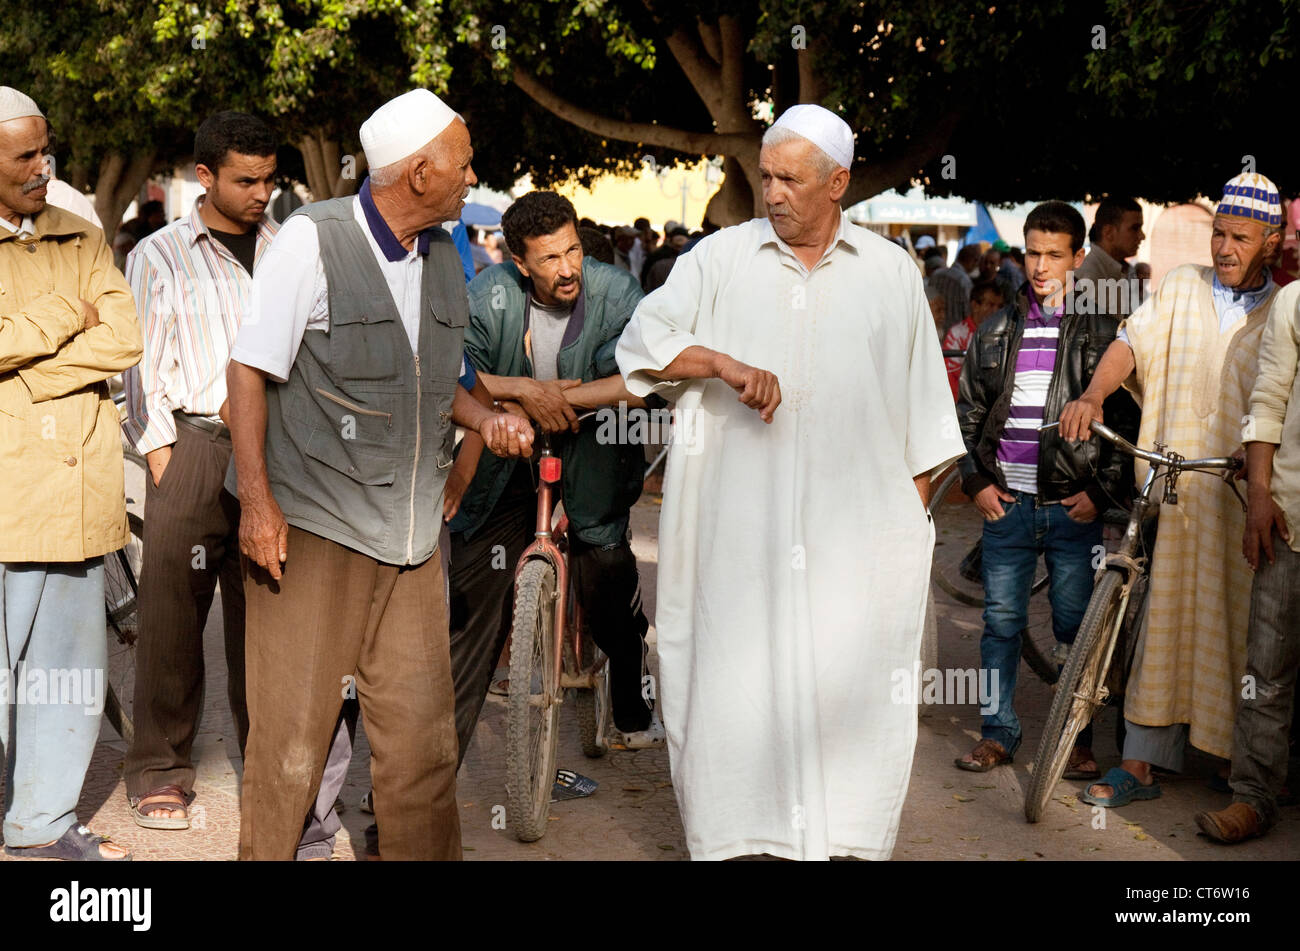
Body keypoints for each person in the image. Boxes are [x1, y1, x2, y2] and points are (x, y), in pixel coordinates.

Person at [616, 103, 965, 860]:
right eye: (765, 175)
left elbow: (929, 430)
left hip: (854, 555)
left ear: (838, 183)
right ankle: (738, 838)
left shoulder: (891, 274)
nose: (771, 192)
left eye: (790, 179)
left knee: (850, 693)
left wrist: (898, 535)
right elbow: (642, 342)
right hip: (734, 540)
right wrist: (723, 363)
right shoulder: (719, 259)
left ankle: (841, 839)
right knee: (732, 689)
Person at [225, 88, 534, 860]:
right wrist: (257, 507)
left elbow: (441, 382)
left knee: (423, 750)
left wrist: (485, 419)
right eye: (462, 164)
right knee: (292, 746)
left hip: (413, 539)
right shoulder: (311, 240)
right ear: (420, 173)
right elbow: (246, 372)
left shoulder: (446, 253)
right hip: (313, 532)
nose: (472, 177)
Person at [1060, 172, 1286, 809]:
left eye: (1240, 238)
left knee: (1238, 631)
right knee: (1155, 623)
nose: (1224, 248)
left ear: (1271, 242)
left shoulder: (1284, 310)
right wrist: (1093, 392)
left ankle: (1231, 761)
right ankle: (1140, 763)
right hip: (1168, 489)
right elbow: (1131, 341)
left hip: (1242, 503)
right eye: (1219, 234)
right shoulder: (1183, 286)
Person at [446, 190, 661, 762]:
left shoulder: (617, 292)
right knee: (470, 605)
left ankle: (633, 704)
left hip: (595, 444)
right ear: (519, 262)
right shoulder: (489, 294)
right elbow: (457, 374)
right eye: (548, 259)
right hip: (508, 450)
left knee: (607, 575)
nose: (567, 269)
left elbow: (639, 383)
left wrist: (550, 398)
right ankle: (432, 763)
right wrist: (524, 393)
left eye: (572, 251)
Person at [120, 111, 278, 833]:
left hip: (276, 455)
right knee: (171, 621)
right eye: (247, 179)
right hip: (191, 447)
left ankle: (271, 770)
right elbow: (141, 363)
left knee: (269, 618)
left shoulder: (289, 250)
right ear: (205, 176)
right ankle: (159, 770)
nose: (262, 193)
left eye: (270, 178)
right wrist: (163, 457)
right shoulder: (159, 253)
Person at [0, 86, 143, 861]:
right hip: (5, 489)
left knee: (64, 672)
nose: (41, 167)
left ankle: (43, 821)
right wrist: (62, 317)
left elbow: (123, 336)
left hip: (74, 487)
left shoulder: (81, 235)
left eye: (44, 151)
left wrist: (29, 374)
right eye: (24, 155)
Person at [953, 202, 1134, 778]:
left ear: (1078, 260)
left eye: (1055, 255)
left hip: (1071, 510)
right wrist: (976, 481)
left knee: (1073, 627)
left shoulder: (1105, 336)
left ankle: (1076, 741)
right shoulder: (997, 330)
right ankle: (997, 732)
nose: (1041, 266)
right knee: (1001, 623)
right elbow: (968, 415)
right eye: (1033, 252)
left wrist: (1101, 497)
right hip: (1006, 505)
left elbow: (1124, 430)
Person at [1195, 279, 1300, 843]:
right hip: (1290, 517)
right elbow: (1269, 400)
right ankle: (1253, 798)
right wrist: (1259, 495)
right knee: (1265, 673)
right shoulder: (1295, 301)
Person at [1076, 196, 1144, 320]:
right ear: (1108, 232)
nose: (1142, 236)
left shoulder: (1126, 271)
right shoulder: (1088, 276)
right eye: (1134, 228)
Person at [941, 280, 1006, 399]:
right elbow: (950, 377)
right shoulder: (958, 334)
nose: (996, 311)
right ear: (975, 305)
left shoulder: (1004, 335)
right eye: (991, 305)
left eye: (1000, 306)